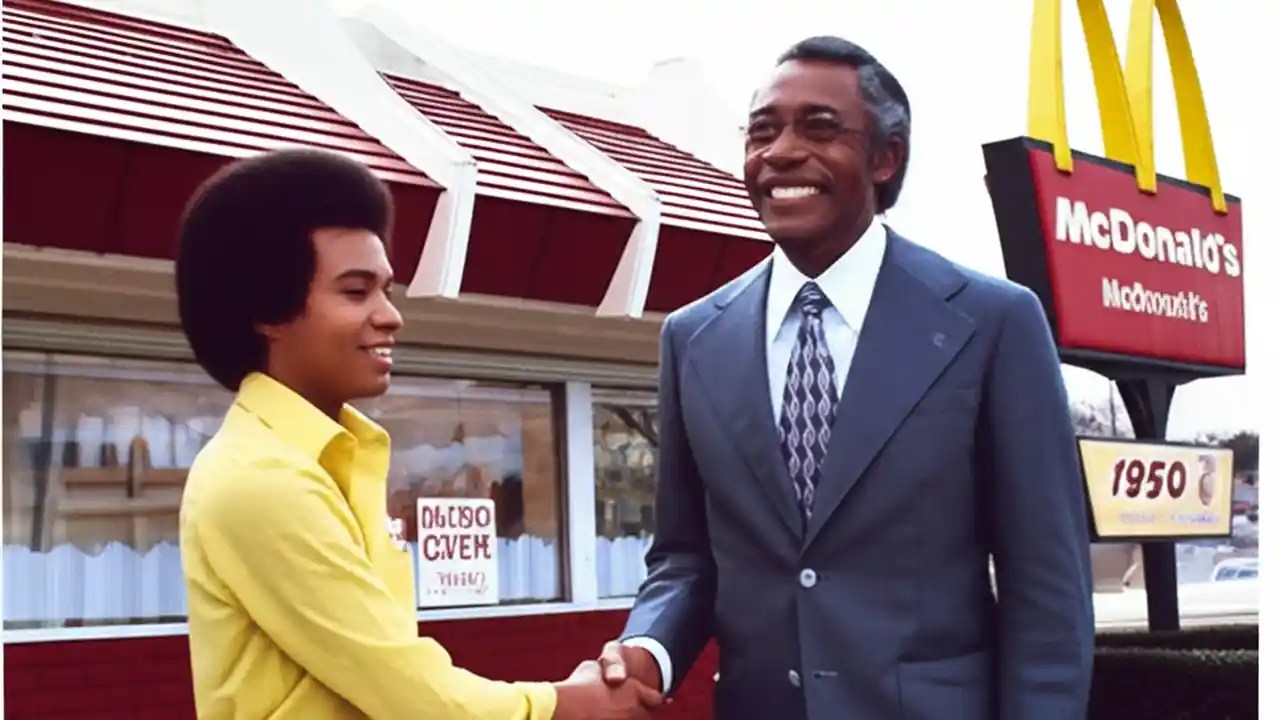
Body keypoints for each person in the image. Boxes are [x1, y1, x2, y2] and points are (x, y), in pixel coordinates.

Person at [597, 36, 1095, 718]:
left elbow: (1048, 589)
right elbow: (685, 560)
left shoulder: (992, 324)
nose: (780, 154)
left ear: (886, 158)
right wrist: (647, 650)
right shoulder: (692, 338)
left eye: (819, 129)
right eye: (762, 132)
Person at [175, 148, 662, 720]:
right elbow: (412, 695)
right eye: (356, 292)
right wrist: (567, 704)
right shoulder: (261, 479)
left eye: (386, 290)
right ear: (268, 311)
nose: (390, 316)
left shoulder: (331, 460)